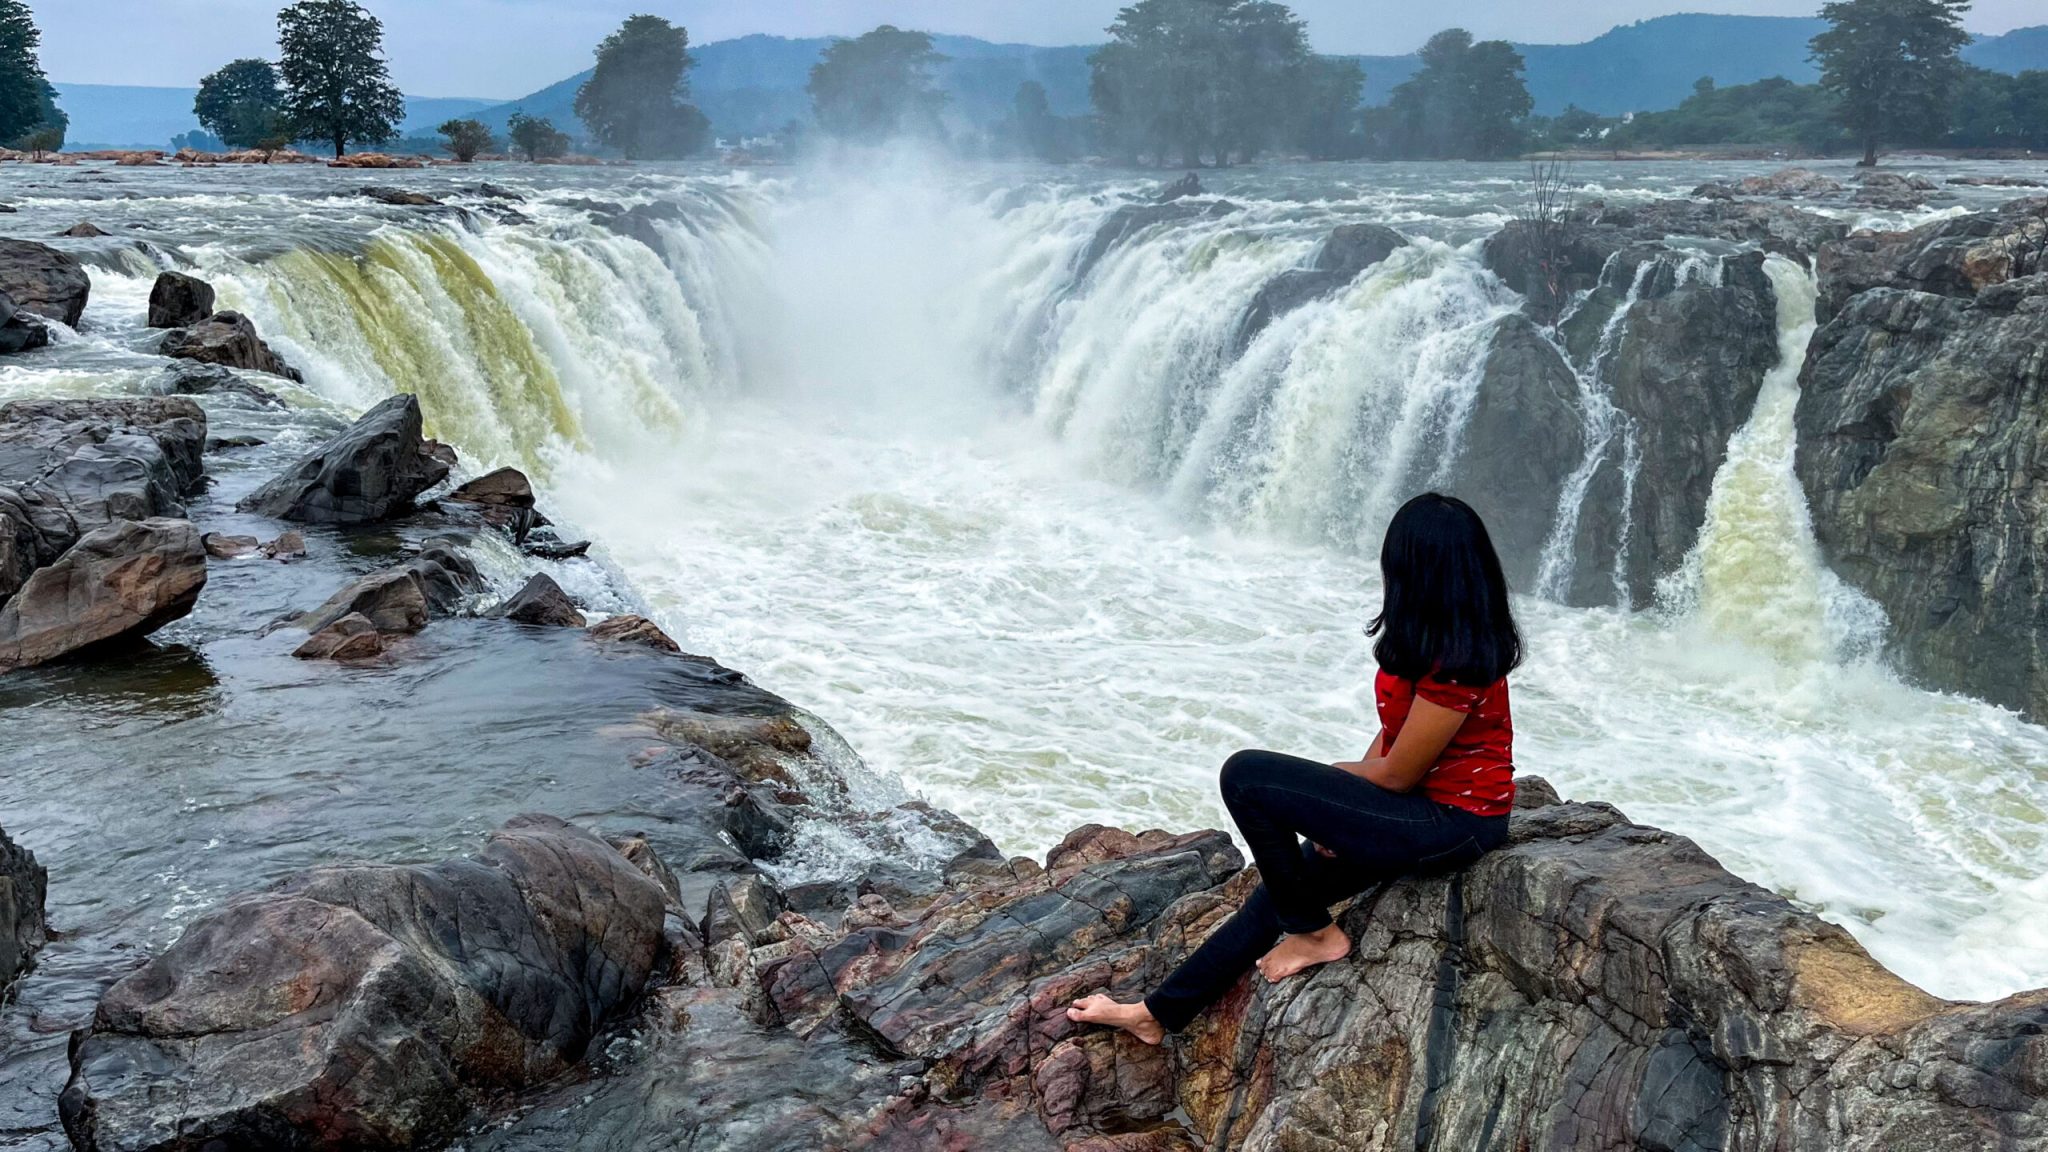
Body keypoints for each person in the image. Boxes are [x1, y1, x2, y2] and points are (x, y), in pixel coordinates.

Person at [1068, 492, 1522, 1044]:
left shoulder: (1461, 662)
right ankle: (1154, 1015)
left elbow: (1398, 775)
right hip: (1417, 811)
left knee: (1246, 777)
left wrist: (1329, 795)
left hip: (1456, 825)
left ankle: (1316, 935)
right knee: (1283, 892)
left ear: (1413, 571)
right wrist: (1339, 812)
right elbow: (1394, 741)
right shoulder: (1431, 641)